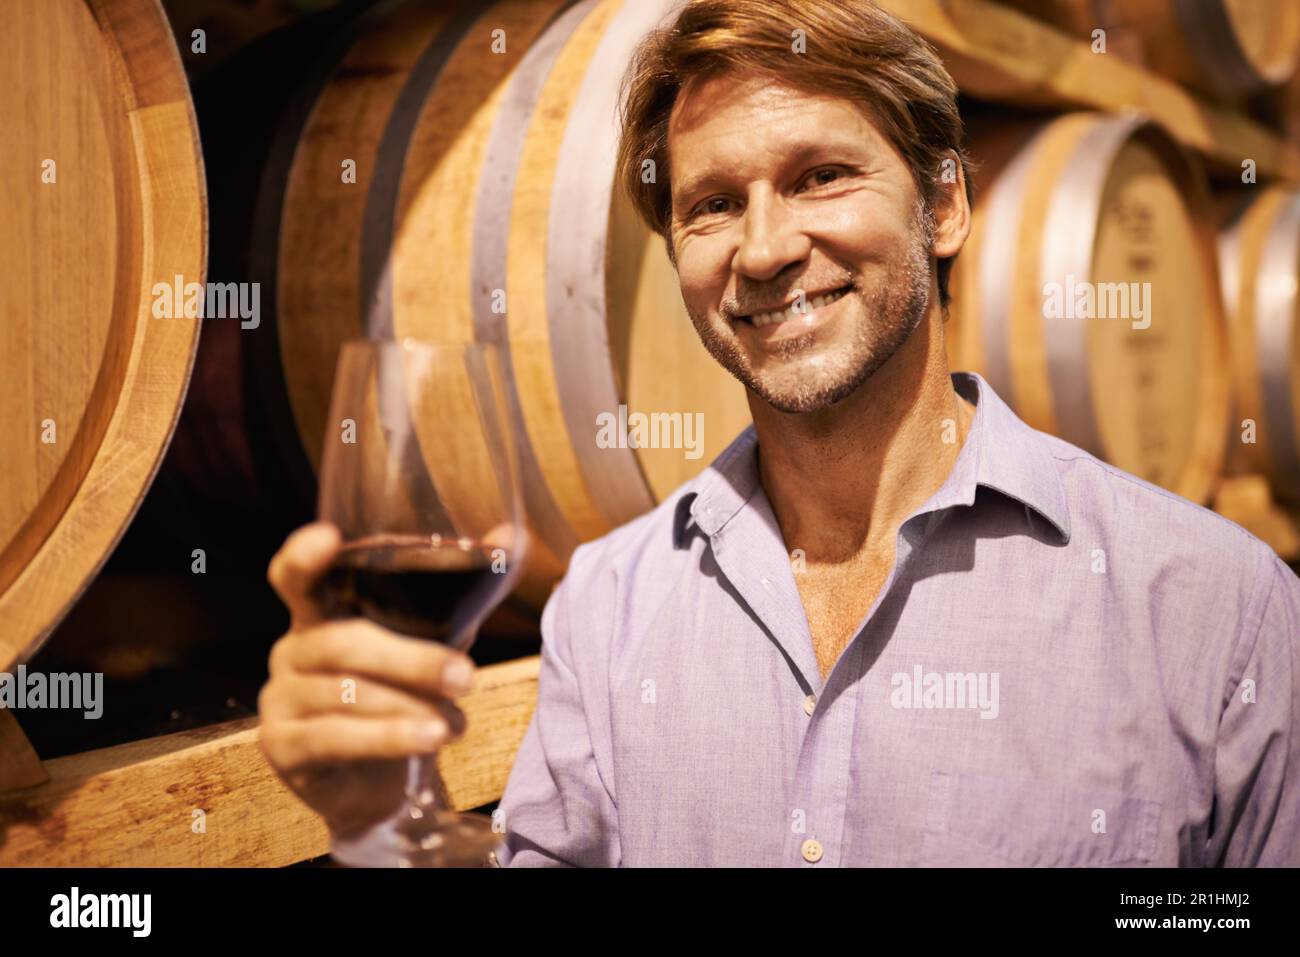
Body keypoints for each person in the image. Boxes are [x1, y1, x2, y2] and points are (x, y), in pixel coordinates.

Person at [260, 0, 1300, 866]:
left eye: (818, 177)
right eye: (712, 204)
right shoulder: (607, 604)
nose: (762, 249)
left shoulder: (1217, 608)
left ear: (942, 206)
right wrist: (374, 822)